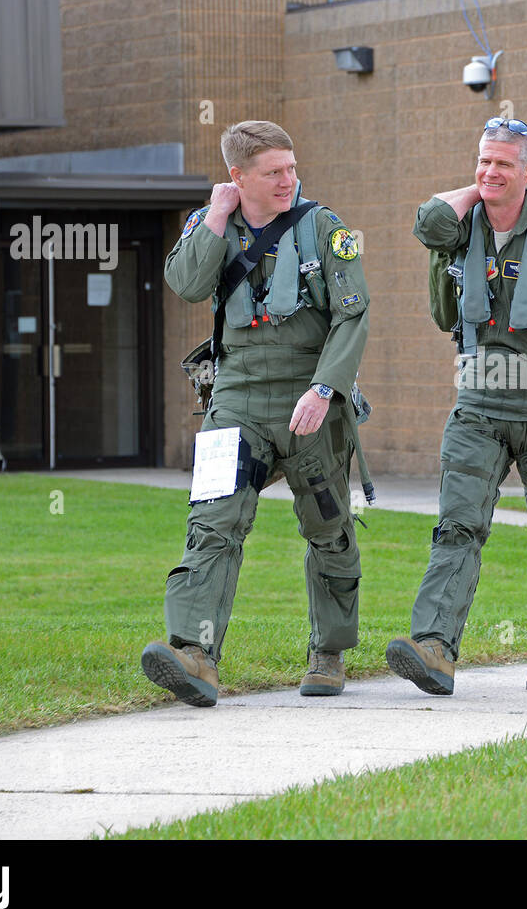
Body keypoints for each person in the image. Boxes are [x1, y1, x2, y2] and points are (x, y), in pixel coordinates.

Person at [141, 120, 369, 705]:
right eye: (274, 172)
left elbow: (353, 314)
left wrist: (325, 390)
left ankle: (329, 653)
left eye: (292, 168)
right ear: (238, 176)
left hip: (308, 398)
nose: (289, 180)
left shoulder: (324, 228)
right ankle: (194, 653)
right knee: (213, 522)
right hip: (236, 397)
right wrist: (215, 217)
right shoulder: (209, 226)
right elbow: (187, 285)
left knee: (327, 526)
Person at [385, 117, 527, 696]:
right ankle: (434, 648)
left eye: (504, 164)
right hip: (477, 405)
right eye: (483, 161)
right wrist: (475, 189)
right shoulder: (461, 226)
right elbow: (425, 223)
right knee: (457, 526)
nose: (490, 172)